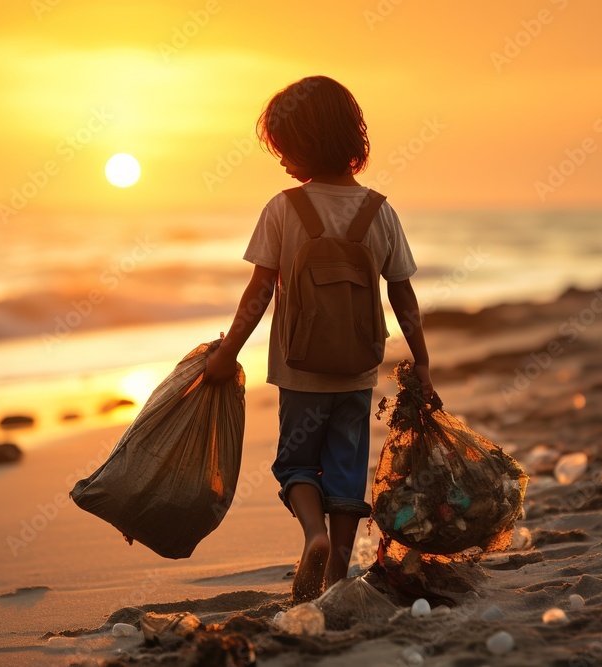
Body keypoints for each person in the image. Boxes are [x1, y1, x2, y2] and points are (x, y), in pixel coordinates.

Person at [203, 75, 433, 602]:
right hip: (356, 372)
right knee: (347, 472)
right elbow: (404, 298)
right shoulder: (380, 211)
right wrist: (421, 361)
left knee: (296, 463)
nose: (282, 163)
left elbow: (258, 294)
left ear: (305, 145)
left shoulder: (284, 209)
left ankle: (313, 536)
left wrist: (226, 352)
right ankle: (338, 578)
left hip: (299, 371)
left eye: (285, 151)